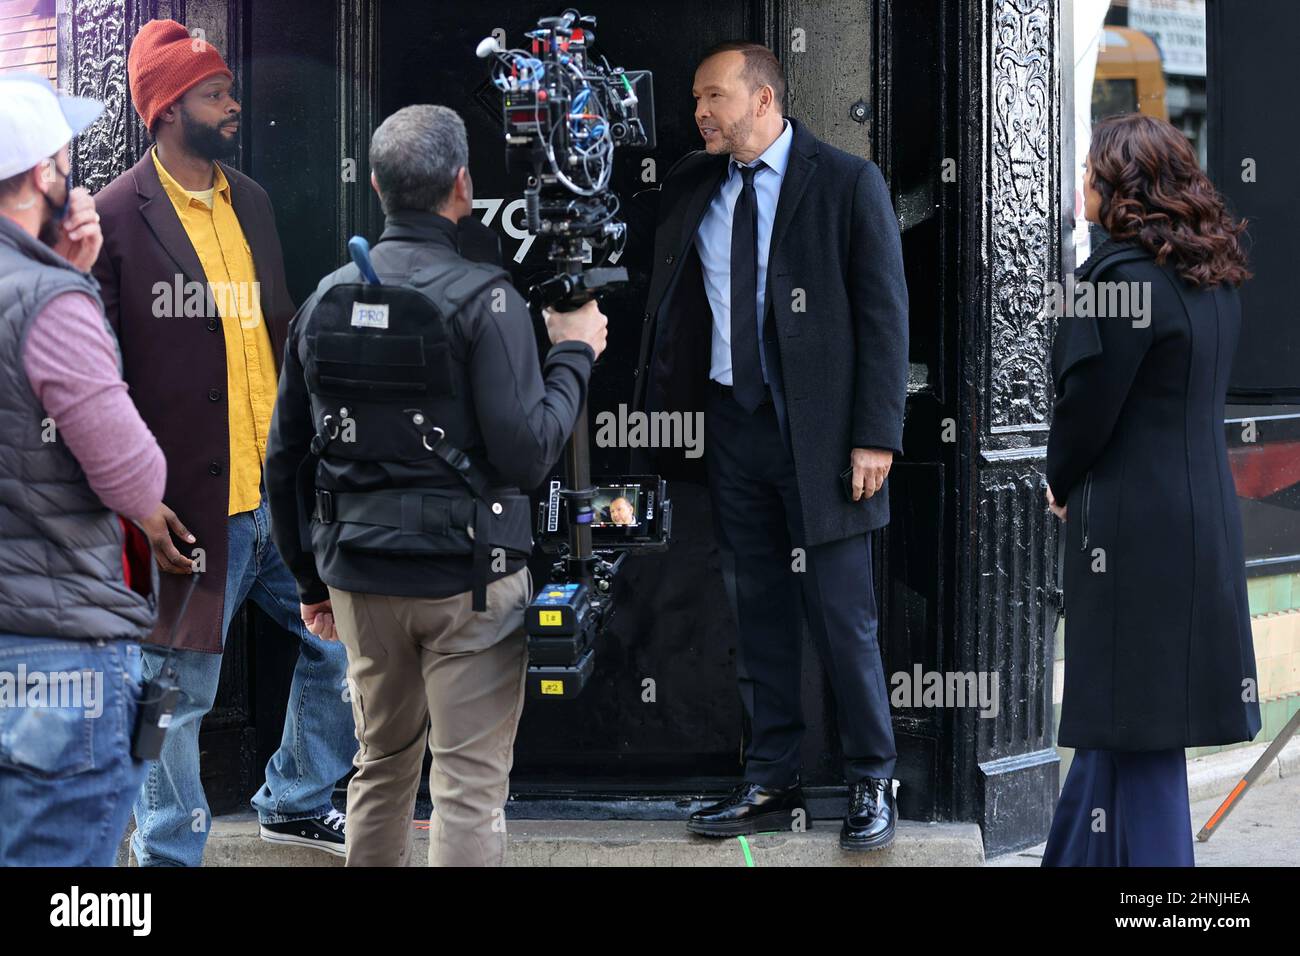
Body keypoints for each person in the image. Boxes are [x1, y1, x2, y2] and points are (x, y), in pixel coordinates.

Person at [264, 104, 607, 866]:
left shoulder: (324, 299)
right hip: (471, 583)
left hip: (358, 579)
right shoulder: (487, 299)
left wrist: (310, 583)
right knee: (468, 786)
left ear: (378, 185)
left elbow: (284, 458)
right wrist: (574, 354)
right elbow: (525, 455)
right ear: (463, 185)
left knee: (380, 768)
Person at [633, 42, 910, 850]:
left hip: (824, 442)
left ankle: (870, 778)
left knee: (842, 615)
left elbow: (885, 319)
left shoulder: (847, 181)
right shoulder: (693, 183)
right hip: (730, 427)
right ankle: (768, 777)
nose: (700, 114)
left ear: (763, 100)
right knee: (755, 609)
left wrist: (874, 437)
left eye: (713, 97)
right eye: (693, 101)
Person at [92, 19, 356, 865]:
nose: (234, 103)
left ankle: (297, 794)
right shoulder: (112, 220)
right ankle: (166, 854)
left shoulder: (252, 199)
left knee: (346, 635)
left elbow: (275, 333)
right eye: (215, 93)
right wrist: (134, 501)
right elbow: (94, 382)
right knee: (172, 694)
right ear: (167, 109)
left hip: (279, 492)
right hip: (184, 510)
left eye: (230, 88)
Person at [1042, 112, 1261, 866]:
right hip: (1204, 517)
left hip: (1130, 529)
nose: (1080, 187)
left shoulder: (1113, 282)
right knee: (1123, 717)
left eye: (1089, 174)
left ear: (1120, 185)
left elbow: (1084, 409)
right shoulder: (1214, 276)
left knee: (1138, 726)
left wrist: (1058, 479)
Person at [0, 74, 167, 865]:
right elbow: (135, 481)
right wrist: (73, 285)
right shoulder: (51, 301)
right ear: (43, 177)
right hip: (53, 660)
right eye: (66, 161)